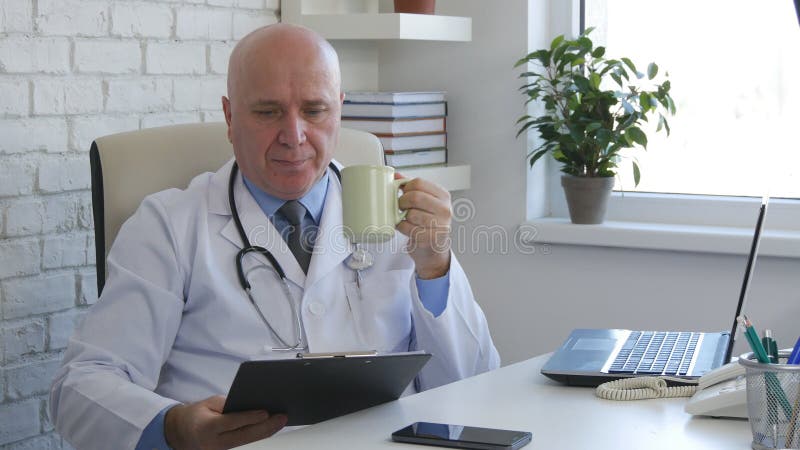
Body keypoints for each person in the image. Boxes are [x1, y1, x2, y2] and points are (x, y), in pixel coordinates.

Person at [50, 23, 500, 450]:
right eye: (268, 112)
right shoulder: (169, 225)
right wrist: (174, 428)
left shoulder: (400, 214)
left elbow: (475, 383)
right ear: (230, 117)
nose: (294, 135)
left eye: (314, 110)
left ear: (339, 111)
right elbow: (80, 386)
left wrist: (435, 266)